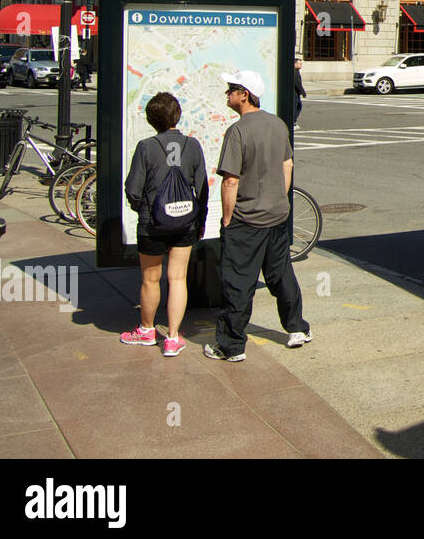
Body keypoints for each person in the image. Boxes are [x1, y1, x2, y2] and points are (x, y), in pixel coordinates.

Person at [204, 70, 311, 362]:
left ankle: (231, 346)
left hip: (246, 220)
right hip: (276, 216)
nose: (227, 94)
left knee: (238, 283)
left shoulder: (237, 132)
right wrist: (278, 197)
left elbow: (230, 181)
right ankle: (297, 328)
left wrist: (227, 221)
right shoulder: (278, 125)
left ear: (244, 95)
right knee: (280, 274)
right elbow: (287, 165)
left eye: (231, 89)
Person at [121, 92, 208, 357]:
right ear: (177, 115)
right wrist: (199, 220)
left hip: (152, 223)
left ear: (151, 120)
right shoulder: (192, 145)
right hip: (185, 222)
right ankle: (172, 337)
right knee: (178, 277)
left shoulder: (146, 147)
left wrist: (144, 209)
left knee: (150, 279)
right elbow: (202, 188)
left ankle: (147, 330)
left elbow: (133, 189)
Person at [293, 58, 306, 128]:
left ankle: (294, 121)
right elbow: (297, 84)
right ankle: (293, 122)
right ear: (295, 64)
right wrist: (303, 92)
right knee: (296, 107)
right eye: (300, 63)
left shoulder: (296, 71)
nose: (301, 65)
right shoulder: (294, 72)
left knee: (298, 106)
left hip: (296, 92)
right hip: (294, 93)